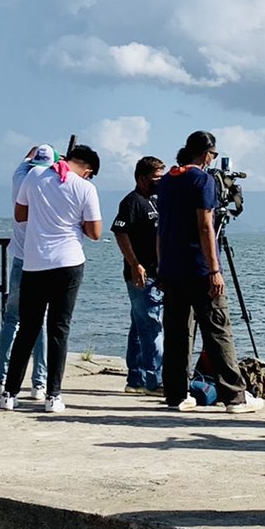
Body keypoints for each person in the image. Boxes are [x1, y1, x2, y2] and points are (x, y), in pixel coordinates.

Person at [153, 132, 256, 414]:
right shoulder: (203, 180)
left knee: (176, 334)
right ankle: (235, 397)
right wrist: (214, 269)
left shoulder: (167, 183)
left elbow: (160, 230)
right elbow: (205, 227)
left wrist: (161, 267)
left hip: (171, 269)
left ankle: (176, 395)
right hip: (198, 268)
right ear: (207, 154)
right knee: (218, 330)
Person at [4, 144, 103, 413]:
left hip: (35, 263)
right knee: (59, 329)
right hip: (69, 262)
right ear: (88, 170)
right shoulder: (85, 188)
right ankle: (53, 396)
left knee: (27, 328)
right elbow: (95, 232)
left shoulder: (34, 176)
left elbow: (20, 215)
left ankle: (9, 394)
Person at [0, 145, 55, 398]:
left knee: (12, 319)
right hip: (44, 262)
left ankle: (1, 378)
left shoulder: (20, 179)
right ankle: (40, 383)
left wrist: (34, 150)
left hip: (20, 258)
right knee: (41, 322)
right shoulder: (55, 185)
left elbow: (25, 159)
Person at [111, 156, 166, 395]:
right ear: (142, 178)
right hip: (141, 275)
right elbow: (120, 232)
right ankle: (155, 381)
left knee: (139, 325)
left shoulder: (155, 200)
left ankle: (136, 379)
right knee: (152, 325)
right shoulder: (132, 202)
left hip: (158, 272)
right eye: (156, 177)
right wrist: (135, 264)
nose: (159, 182)